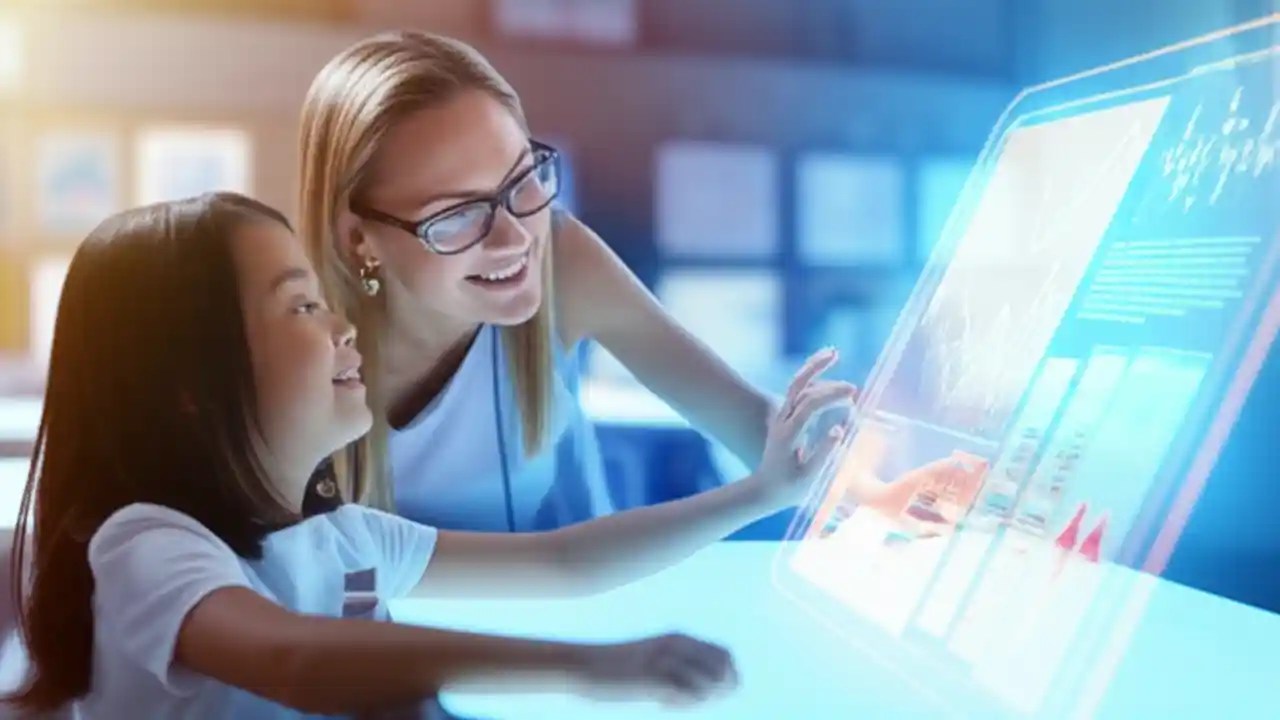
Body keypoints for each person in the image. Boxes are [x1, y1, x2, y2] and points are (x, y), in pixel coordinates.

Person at [6, 193, 852, 718]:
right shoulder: (149, 544)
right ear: (187, 383)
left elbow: (563, 564)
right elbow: (294, 660)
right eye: (299, 306)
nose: (342, 325)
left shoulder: (348, 538)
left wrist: (762, 491)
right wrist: (590, 669)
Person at [298, 30, 965, 530]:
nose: (515, 237)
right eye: (457, 215)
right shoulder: (295, 345)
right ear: (359, 239)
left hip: (564, 630)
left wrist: (874, 498)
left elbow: (740, 417)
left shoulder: (562, 258)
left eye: (522, 181)